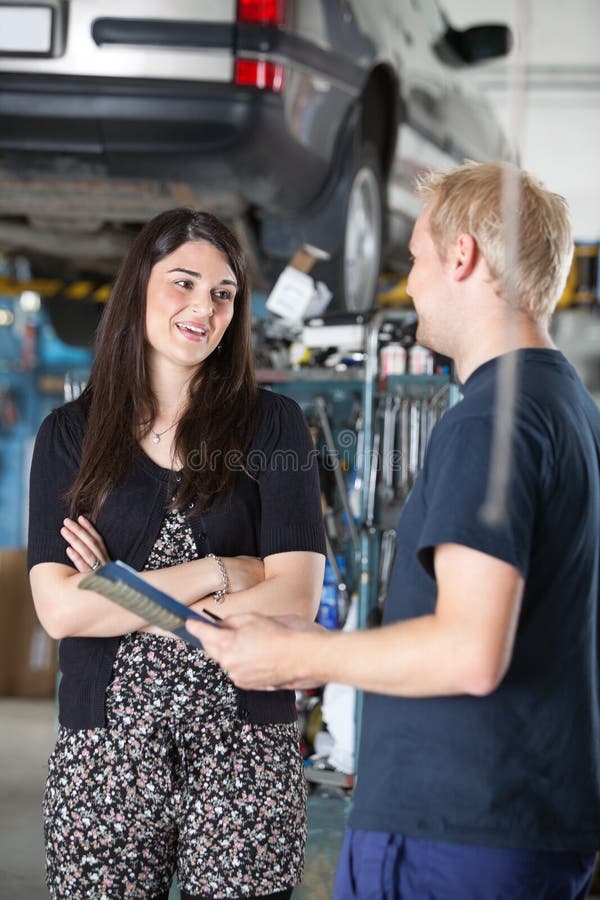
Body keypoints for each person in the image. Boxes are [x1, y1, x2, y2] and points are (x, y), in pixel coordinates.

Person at [188, 162, 600, 900]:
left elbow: (470, 651)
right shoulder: (571, 410)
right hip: (525, 818)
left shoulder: (490, 421)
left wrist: (303, 651)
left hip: (453, 829)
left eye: (414, 258)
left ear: (464, 255)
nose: (408, 284)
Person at [27, 207, 326, 900]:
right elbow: (61, 613)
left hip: (245, 749)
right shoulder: (69, 435)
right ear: (138, 288)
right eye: (183, 283)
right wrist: (221, 573)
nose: (205, 308)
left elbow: (295, 599)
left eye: (223, 294)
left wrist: (117, 589)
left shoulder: (274, 425)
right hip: (106, 750)